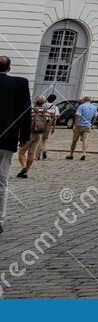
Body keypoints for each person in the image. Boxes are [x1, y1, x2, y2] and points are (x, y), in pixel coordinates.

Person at [0, 56, 32, 237]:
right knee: (2, 181)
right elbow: (26, 112)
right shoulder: (20, 84)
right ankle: (0, 219)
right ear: (9, 68)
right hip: (7, 139)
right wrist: (24, 135)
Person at [16, 97, 53, 178]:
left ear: (35, 102)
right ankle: (26, 172)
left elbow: (23, 122)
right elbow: (49, 122)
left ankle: (23, 167)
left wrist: (20, 135)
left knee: (21, 152)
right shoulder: (46, 112)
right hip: (39, 135)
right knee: (31, 153)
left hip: (28, 134)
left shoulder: (31, 110)